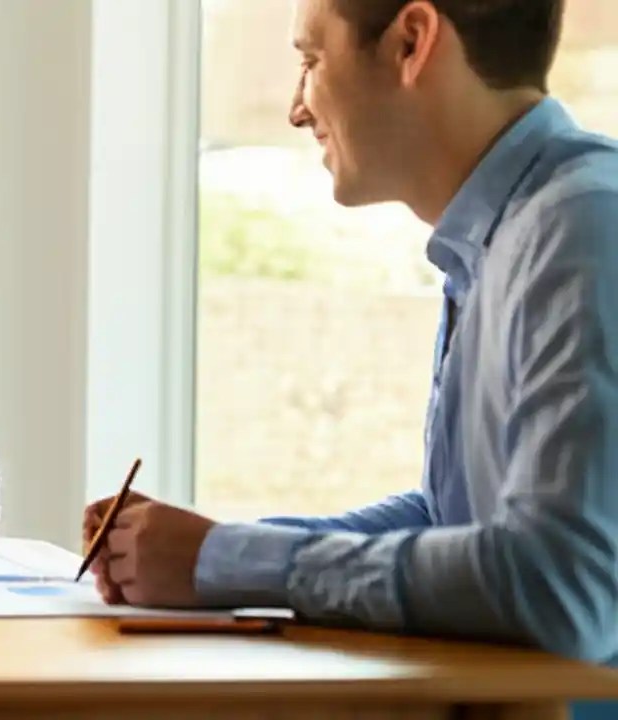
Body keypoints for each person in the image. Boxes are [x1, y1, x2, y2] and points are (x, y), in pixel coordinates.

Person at [86, 0, 618, 677]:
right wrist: (210, 549)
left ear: (411, 43)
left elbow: (561, 584)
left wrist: (224, 563)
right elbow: (447, 519)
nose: (296, 109)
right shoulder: (501, 237)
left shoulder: (582, 228)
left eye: (310, 60)